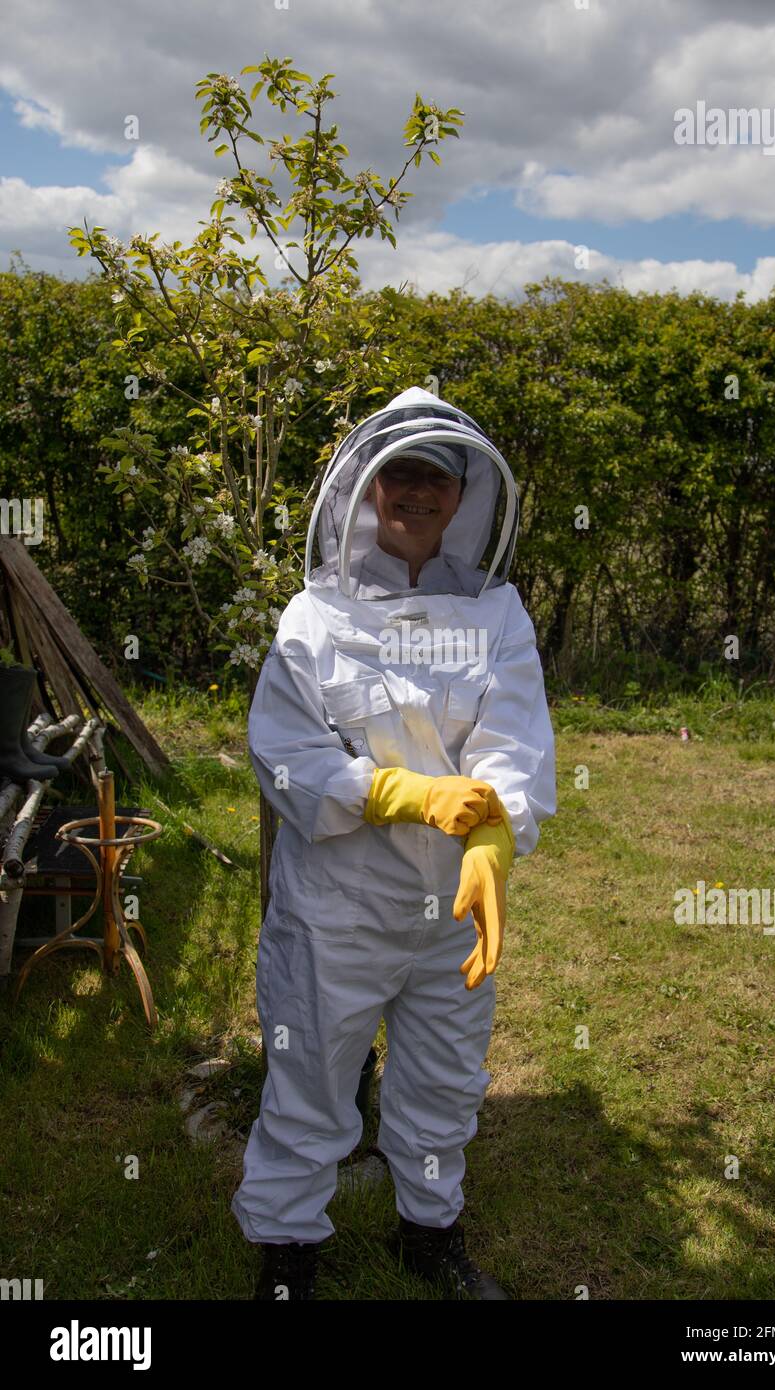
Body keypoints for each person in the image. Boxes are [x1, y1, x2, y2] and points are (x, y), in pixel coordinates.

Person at [231, 385, 556, 1299]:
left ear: (464, 497)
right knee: (310, 1077)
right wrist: (393, 791)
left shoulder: (497, 616)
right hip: (335, 908)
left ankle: (432, 1237)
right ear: (367, 488)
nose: (416, 492)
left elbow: (514, 743)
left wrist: (492, 839)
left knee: (447, 1079)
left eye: (436, 479)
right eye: (399, 475)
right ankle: (288, 1256)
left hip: (454, 910)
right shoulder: (315, 619)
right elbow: (286, 755)